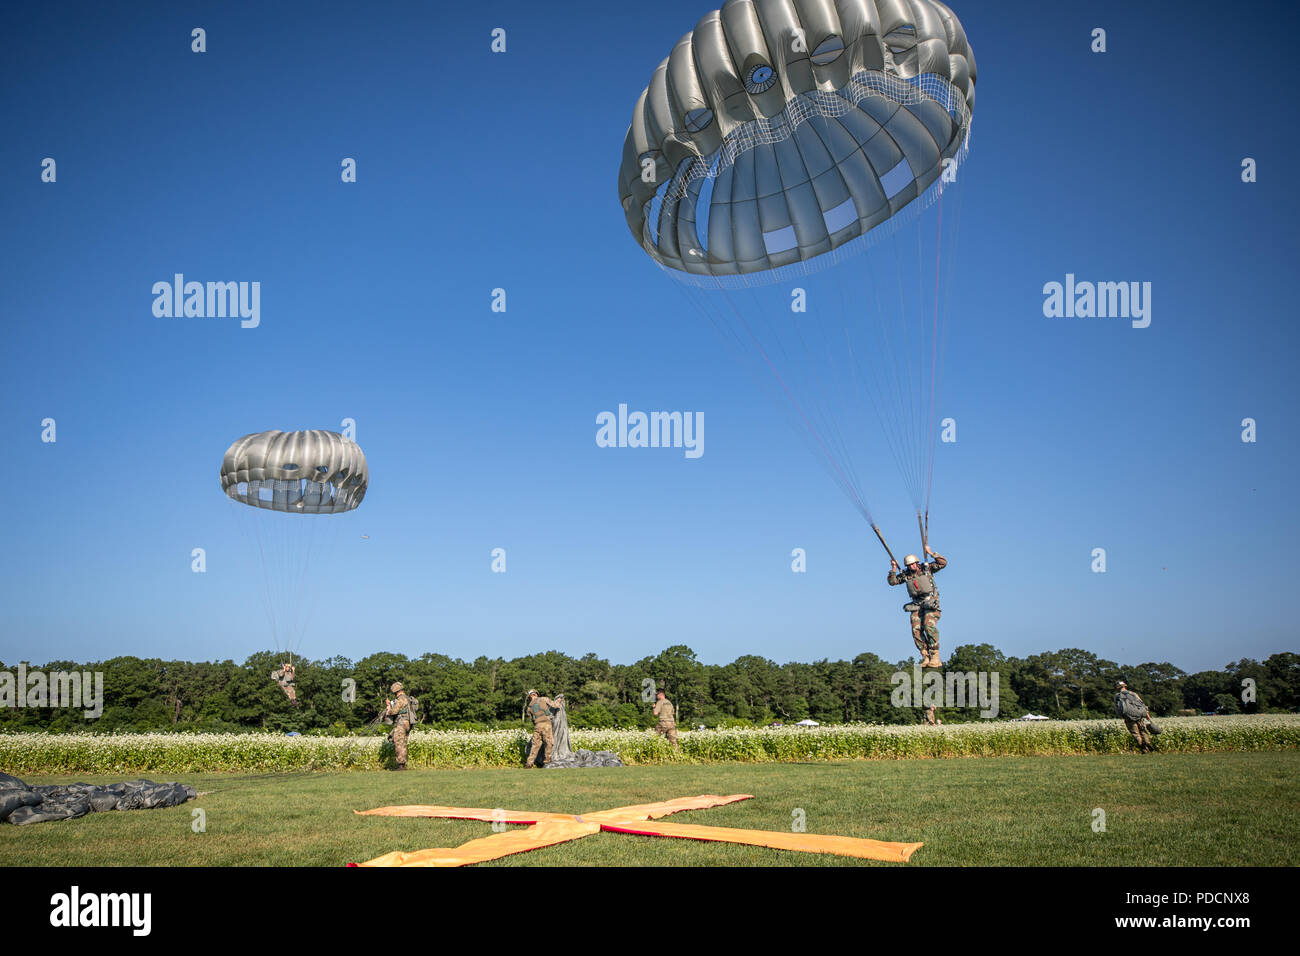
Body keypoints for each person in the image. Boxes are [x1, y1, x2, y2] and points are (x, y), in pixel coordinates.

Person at [888, 546, 947, 667]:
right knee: (916, 630)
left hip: (930, 602)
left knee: (928, 625)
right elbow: (892, 582)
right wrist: (893, 568)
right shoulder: (906, 575)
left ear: (917, 563)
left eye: (913, 564)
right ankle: (926, 656)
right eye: (909, 565)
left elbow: (943, 563)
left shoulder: (927, 569)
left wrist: (931, 553)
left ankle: (935, 655)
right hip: (917, 605)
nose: (911, 567)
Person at [1114, 681, 1155, 753]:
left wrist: (1122, 715)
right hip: (1138, 715)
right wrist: (1147, 715)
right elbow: (1142, 704)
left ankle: (1143, 748)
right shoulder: (1133, 694)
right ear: (1125, 686)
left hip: (1128, 717)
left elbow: (1117, 708)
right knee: (1142, 731)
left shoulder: (1117, 696)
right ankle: (1147, 743)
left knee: (1135, 733)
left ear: (1117, 687)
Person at [524, 690, 561, 768]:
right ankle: (547, 761)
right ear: (536, 694)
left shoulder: (529, 708)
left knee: (535, 746)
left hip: (537, 726)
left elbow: (532, 720)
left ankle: (529, 763)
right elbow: (555, 705)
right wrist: (558, 701)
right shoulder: (543, 699)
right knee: (549, 742)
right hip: (546, 724)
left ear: (530, 696)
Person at [384, 682, 414, 770]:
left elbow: (394, 711)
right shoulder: (406, 698)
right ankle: (402, 764)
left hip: (401, 723)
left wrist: (388, 709)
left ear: (396, 691)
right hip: (406, 723)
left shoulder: (401, 699)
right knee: (402, 743)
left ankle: (401, 765)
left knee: (399, 743)